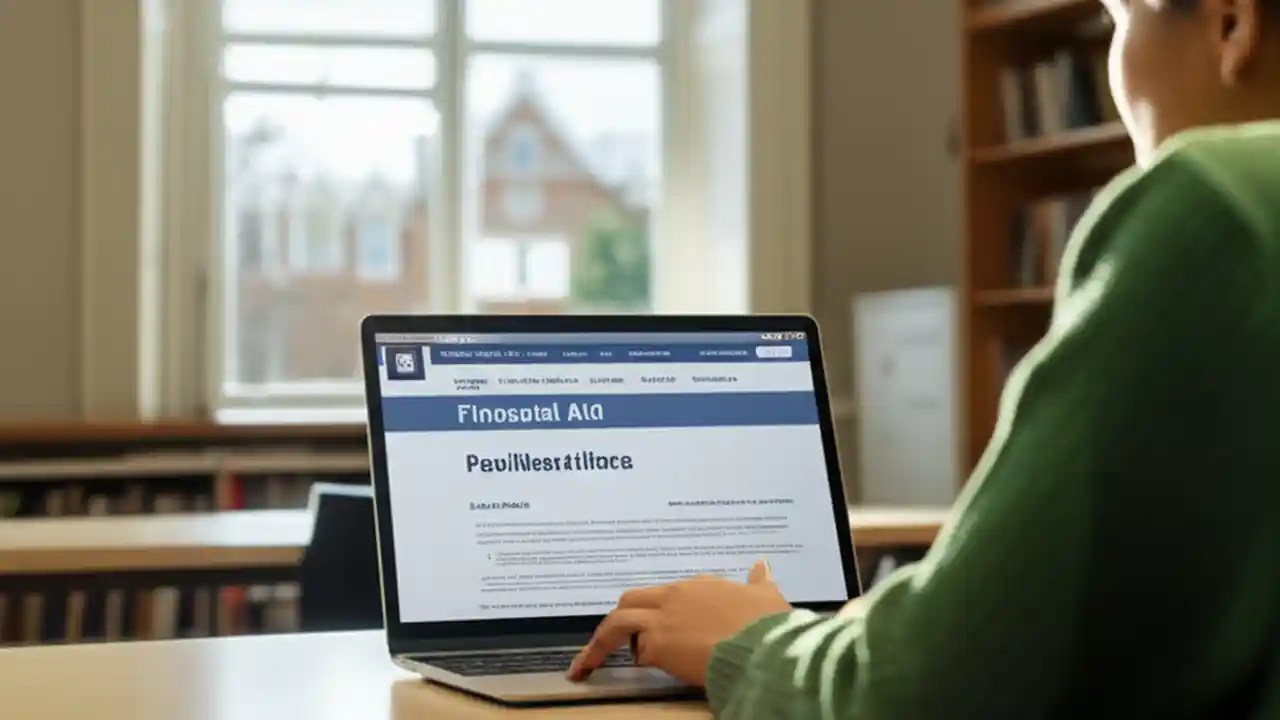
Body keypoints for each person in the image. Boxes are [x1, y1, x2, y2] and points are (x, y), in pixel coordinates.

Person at [568, 0, 1280, 716]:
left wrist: (753, 639)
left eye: (1121, 20)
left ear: (1231, 24)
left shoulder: (1218, 209)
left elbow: (918, 695)